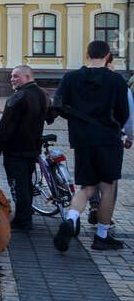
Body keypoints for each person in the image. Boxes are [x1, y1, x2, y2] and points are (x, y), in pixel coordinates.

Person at [52, 40, 129, 252]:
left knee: (86, 188)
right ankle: (102, 236)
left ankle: (70, 220)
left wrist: (76, 120)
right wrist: (115, 127)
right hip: (107, 140)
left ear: (87, 54)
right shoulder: (117, 81)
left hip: (82, 139)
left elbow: (58, 105)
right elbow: (123, 112)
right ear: (108, 56)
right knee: (107, 188)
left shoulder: (70, 78)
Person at [0, 65, 53, 230]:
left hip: (15, 149)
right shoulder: (42, 94)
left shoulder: (18, 97)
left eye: (16, 76)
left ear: (27, 77)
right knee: (26, 183)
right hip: (32, 148)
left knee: (18, 185)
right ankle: (26, 214)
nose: (12, 79)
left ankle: (23, 220)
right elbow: (51, 116)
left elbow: (5, 125)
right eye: (12, 76)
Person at [88, 54, 133, 228]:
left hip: (88, 137)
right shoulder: (119, 84)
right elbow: (128, 114)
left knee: (91, 174)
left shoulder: (84, 83)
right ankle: (105, 221)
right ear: (108, 63)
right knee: (110, 181)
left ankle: (94, 205)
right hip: (112, 137)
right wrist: (130, 137)